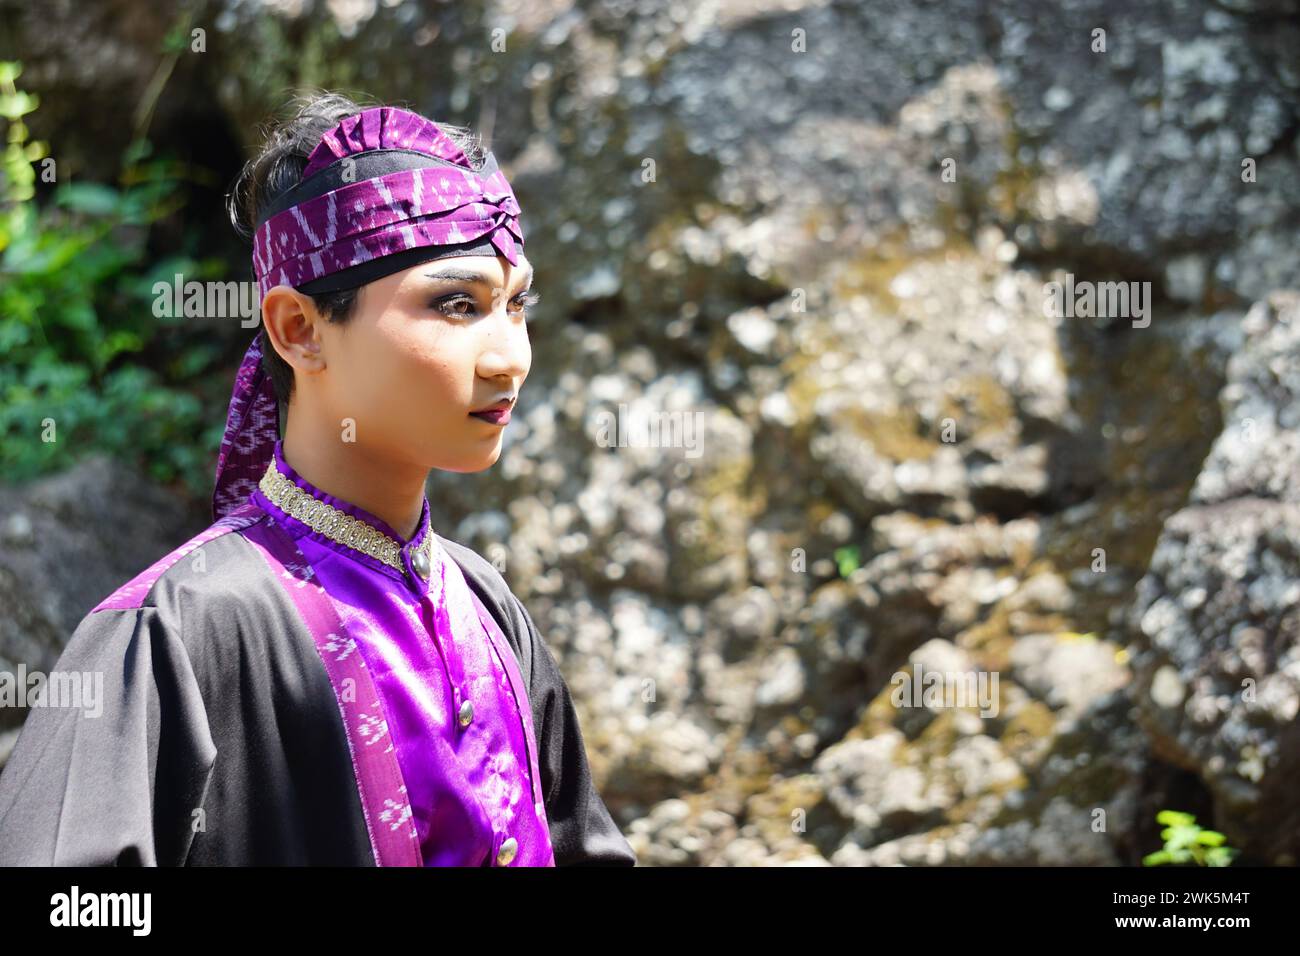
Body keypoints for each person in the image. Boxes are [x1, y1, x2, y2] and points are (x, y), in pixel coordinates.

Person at [0, 94, 636, 867]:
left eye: (516, 304)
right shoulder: (177, 630)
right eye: (458, 304)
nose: (509, 358)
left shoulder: (486, 610)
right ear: (299, 329)